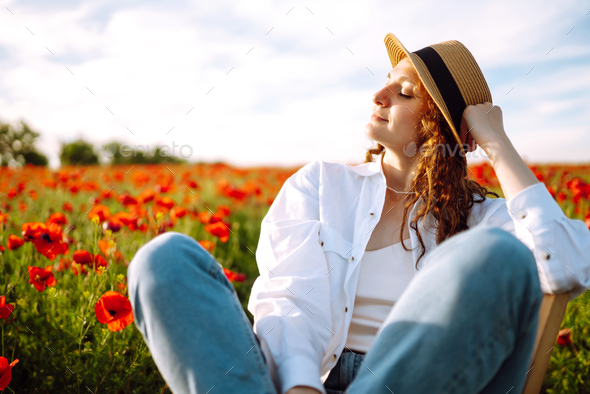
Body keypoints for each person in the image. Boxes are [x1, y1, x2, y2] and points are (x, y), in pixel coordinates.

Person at [127, 33, 590, 394]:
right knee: (163, 260)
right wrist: (303, 385)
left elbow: (567, 266)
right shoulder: (322, 185)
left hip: (422, 379)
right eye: (387, 79)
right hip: (306, 378)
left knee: (496, 255)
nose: (380, 94)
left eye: (405, 92)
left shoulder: (484, 218)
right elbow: (289, 301)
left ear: (441, 127)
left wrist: (495, 142)